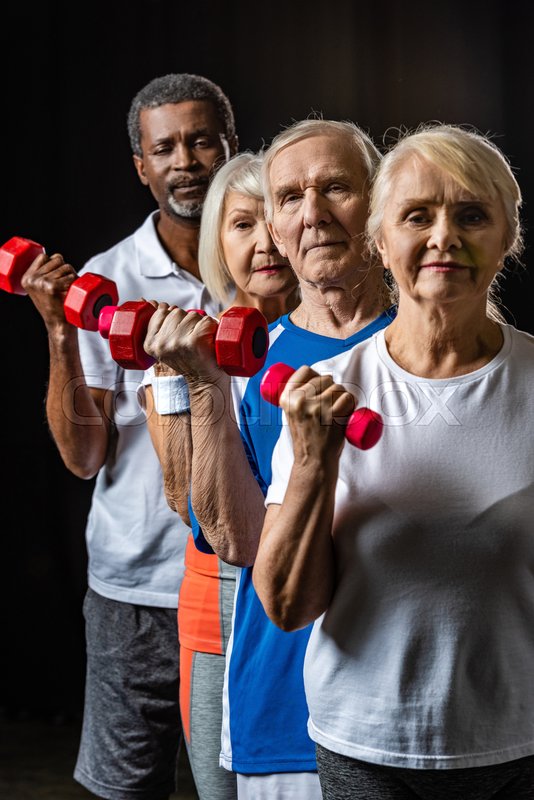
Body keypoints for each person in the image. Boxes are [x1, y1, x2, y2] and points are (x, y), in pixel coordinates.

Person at [256, 123, 534, 800]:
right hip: (365, 745)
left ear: (506, 238)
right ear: (381, 240)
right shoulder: (326, 390)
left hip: (518, 745)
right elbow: (288, 606)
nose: (444, 237)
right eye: (418, 216)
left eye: (471, 215)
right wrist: (316, 463)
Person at [144, 118, 396, 799]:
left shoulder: (429, 348)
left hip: (417, 710)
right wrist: (202, 385)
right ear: (278, 230)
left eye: (336, 188)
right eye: (290, 199)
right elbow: (234, 540)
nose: (312, 215)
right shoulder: (252, 368)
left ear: (379, 203)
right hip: (283, 711)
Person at [20, 73, 238, 800]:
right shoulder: (106, 278)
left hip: (246, 580)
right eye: (164, 147)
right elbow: (83, 460)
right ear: (141, 167)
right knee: (124, 789)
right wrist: (58, 327)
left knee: (243, 785)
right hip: (135, 586)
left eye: (201, 140)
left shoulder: (270, 268)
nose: (185, 161)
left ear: (230, 148)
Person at [140, 150, 299, 800]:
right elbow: (187, 502)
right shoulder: (180, 346)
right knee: (223, 788)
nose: (265, 243)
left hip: (322, 592)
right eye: (241, 224)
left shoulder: (351, 342)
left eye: (275, 219)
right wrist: (188, 377)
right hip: (221, 599)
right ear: (217, 242)